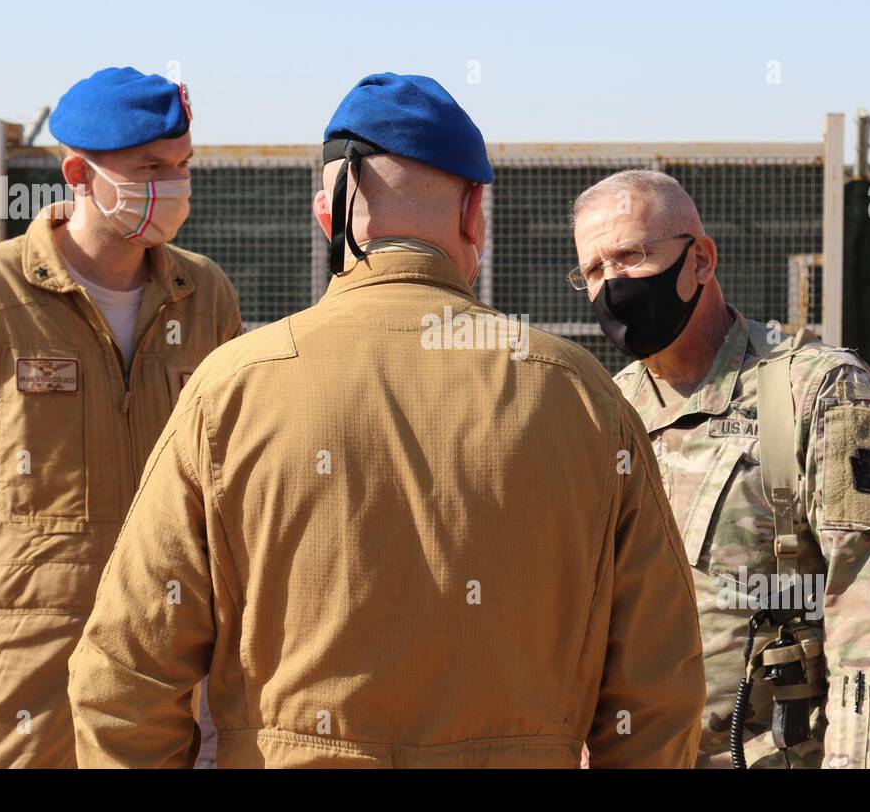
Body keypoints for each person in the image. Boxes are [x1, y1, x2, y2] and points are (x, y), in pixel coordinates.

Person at [67, 73, 705, 768]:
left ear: (328, 218)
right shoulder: (582, 396)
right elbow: (658, 686)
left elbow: (124, 676)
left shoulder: (230, 390)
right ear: (474, 213)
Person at [0, 66, 243, 767]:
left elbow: (229, 462)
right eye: (151, 168)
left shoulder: (202, 294)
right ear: (80, 174)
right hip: (15, 660)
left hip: (151, 653)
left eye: (183, 166)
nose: (174, 185)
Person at [570, 169, 870, 768]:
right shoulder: (607, 408)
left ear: (700, 261)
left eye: (631, 256)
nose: (613, 284)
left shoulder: (819, 392)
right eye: (593, 270)